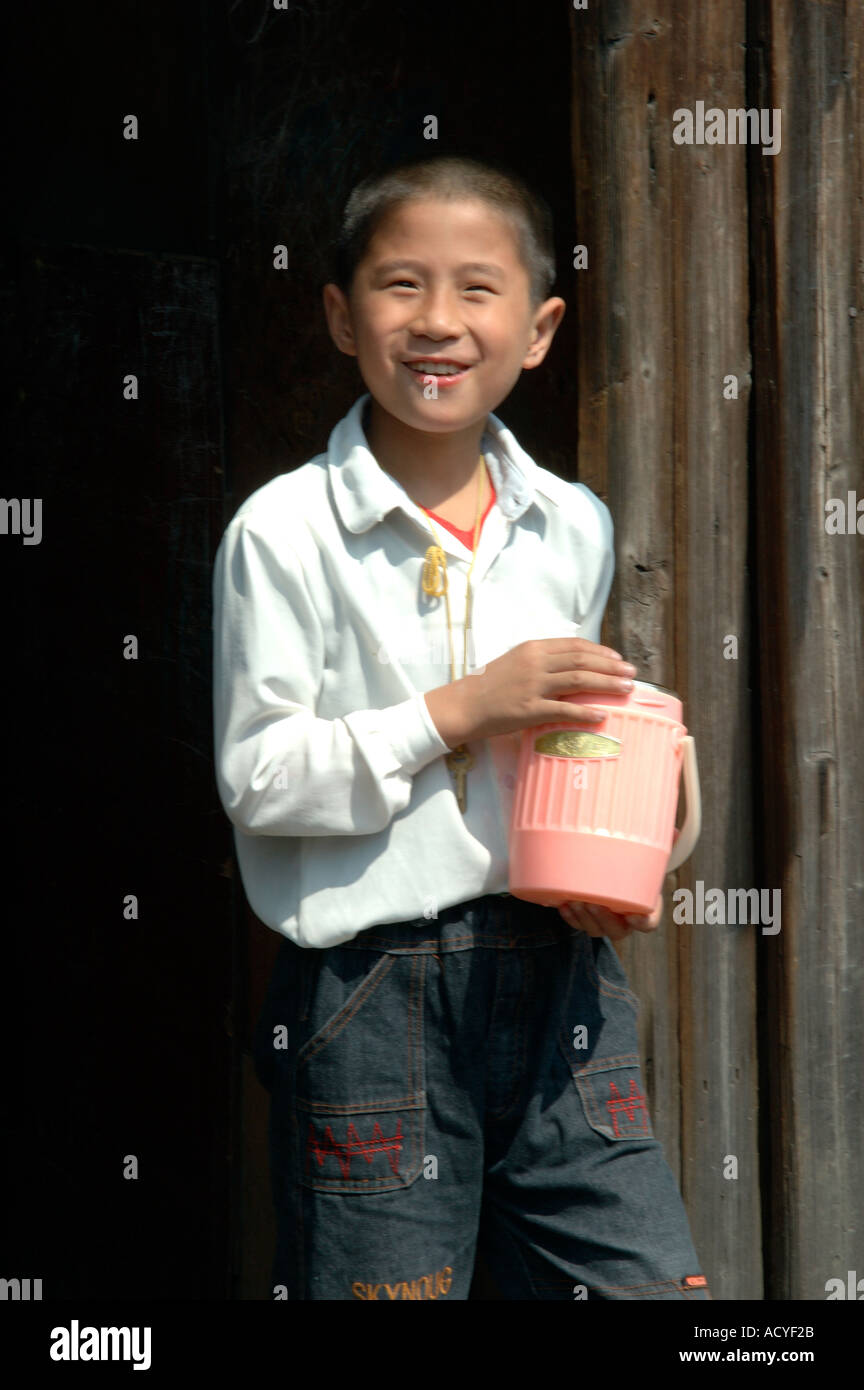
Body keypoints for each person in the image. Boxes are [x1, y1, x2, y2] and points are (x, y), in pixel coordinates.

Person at [212, 154, 711, 1300]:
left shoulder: (570, 523)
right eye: (401, 286)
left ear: (539, 329)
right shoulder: (285, 533)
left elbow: (566, 750)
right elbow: (260, 776)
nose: (438, 321)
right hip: (371, 994)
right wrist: (461, 709)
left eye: (477, 290)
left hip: (564, 979)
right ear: (341, 314)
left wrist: (632, 854)